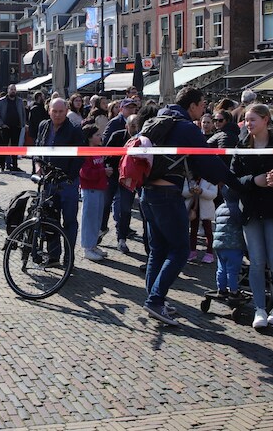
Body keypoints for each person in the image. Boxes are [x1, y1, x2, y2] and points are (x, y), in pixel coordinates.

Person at [139, 86, 235, 327]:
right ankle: (156, 300)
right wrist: (234, 181)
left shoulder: (156, 120)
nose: (205, 109)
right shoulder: (185, 128)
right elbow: (207, 163)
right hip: (167, 194)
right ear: (191, 106)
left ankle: (154, 299)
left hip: (146, 193)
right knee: (181, 250)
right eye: (202, 104)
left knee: (158, 249)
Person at [230, 103, 273, 330]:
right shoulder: (242, 145)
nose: (248, 124)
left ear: (266, 120)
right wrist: (253, 181)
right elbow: (234, 180)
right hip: (251, 211)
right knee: (256, 263)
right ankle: (260, 308)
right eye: (246, 120)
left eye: (252, 120)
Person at [36, 98, 86, 263]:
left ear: (66, 111)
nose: (57, 115)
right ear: (49, 110)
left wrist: (70, 177)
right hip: (48, 181)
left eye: (60, 112)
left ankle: (69, 257)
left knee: (70, 220)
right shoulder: (44, 126)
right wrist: (37, 163)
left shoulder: (75, 129)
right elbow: (37, 146)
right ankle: (53, 255)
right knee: (51, 219)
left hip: (67, 183)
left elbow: (80, 156)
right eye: (54, 111)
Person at [106, 112, 141, 253]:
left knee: (125, 210)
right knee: (105, 204)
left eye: (136, 126)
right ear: (126, 126)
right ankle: (102, 228)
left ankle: (121, 239)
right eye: (132, 126)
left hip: (129, 180)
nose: (134, 129)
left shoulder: (141, 140)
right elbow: (107, 154)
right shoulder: (117, 136)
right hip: (114, 175)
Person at [78, 124, 111, 261]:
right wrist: (103, 172)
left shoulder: (98, 150)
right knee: (89, 219)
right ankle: (87, 248)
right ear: (90, 138)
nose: (100, 136)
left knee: (97, 219)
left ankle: (93, 245)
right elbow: (85, 173)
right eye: (97, 135)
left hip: (99, 188)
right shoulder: (85, 152)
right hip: (90, 189)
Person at [212, 186, 246, 301]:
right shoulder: (238, 209)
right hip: (234, 245)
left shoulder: (220, 208)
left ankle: (221, 289)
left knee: (221, 268)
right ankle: (233, 291)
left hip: (219, 244)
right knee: (233, 270)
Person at [0, 84, 27, 172]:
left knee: (15, 146)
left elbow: (23, 113)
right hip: (5, 127)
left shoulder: (19, 101)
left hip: (16, 127)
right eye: (11, 89)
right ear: (8, 90)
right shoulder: (2, 101)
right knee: (4, 147)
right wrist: (2, 124)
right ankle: (2, 166)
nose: (13, 91)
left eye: (14, 89)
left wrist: (22, 123)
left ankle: (15, 165)